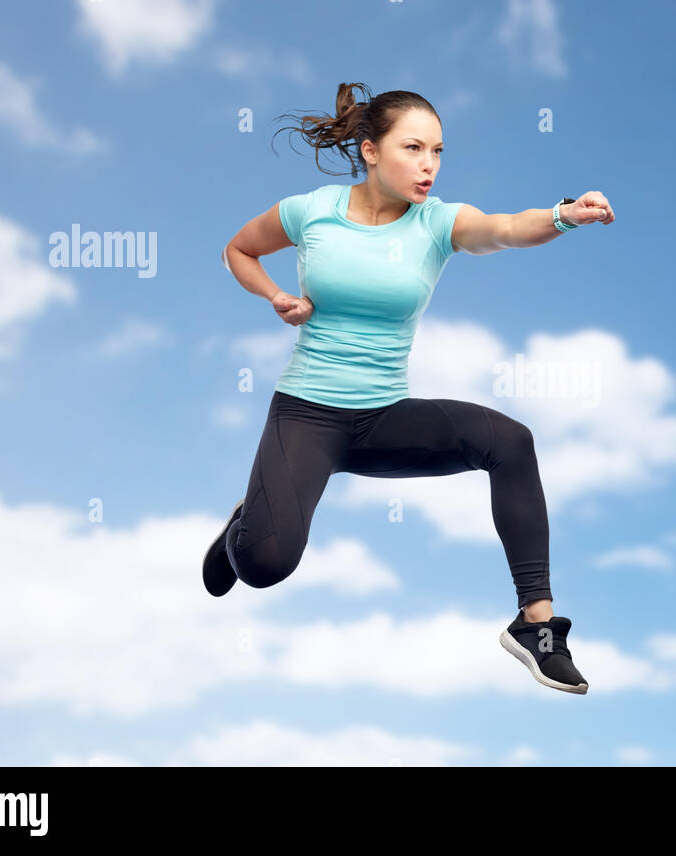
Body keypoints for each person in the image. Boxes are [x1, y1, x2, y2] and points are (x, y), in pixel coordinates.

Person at [203, 82, 616, 694]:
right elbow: (238, 249)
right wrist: (276, 296)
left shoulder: (437, 223)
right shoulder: (309, 210)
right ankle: (249, 520)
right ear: (370, 151)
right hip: (307, 416)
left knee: (511, 441)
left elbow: (505, 227)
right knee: (264, 566)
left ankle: (538, 626)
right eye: (414, 148)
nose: (429, 165)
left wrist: (564, 216)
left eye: (439, 151)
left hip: (383, 420)